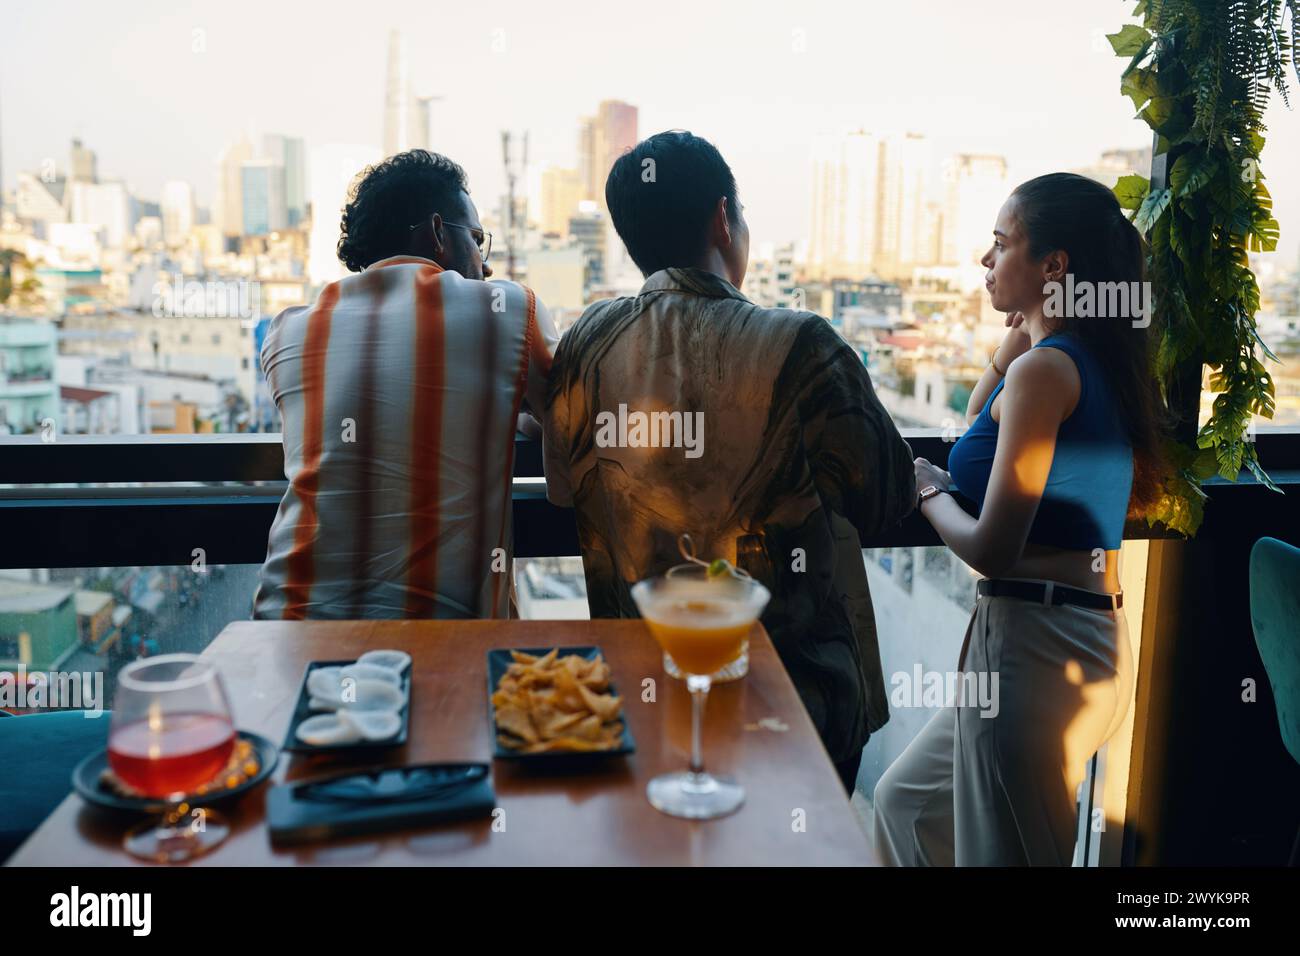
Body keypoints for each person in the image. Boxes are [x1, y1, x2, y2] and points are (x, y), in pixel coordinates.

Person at [543, 131, 917, 793]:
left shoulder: (585, 343)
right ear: (724, 218)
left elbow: (563, 490)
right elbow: (886, 499)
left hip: (640, 691)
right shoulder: (799, 343)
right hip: (796, 707)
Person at [873, 172, 1166, 865]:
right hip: (1053, 640)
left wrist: (927, 492)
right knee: (905, 805)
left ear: (1053, 266)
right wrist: (1017, 339)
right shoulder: (1070, 364)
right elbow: (981, 425)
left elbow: (993, 547)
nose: (985, 260)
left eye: (1002, 244)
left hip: (1036, 652)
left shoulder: (1049, 373)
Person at [254, 150, 558, 620]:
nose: (487, 265)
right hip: (444, 642)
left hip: (288, 633)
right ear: (438, 233)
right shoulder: (507, 312)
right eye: (477, 239)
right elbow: (567, 420)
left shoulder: (288, 333)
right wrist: (514, 414)